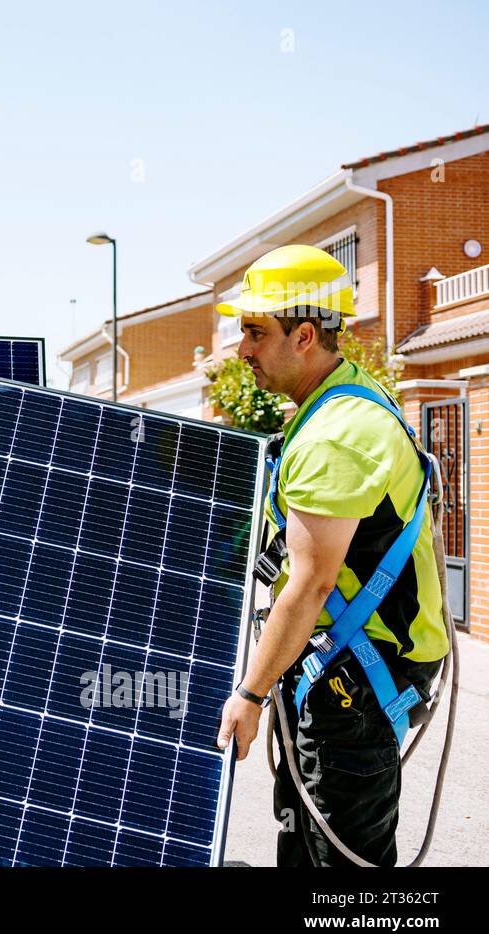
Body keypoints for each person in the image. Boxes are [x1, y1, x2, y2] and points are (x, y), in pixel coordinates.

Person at [213, 245, 449, 867]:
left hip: (359, 681)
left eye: (256, 332)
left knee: (339, 864)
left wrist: (251, 694)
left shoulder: (336, 434)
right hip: (344, 664)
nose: (243, 350)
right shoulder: (337, 399)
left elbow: (310, 585)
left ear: (305, 335)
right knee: (306, 840)